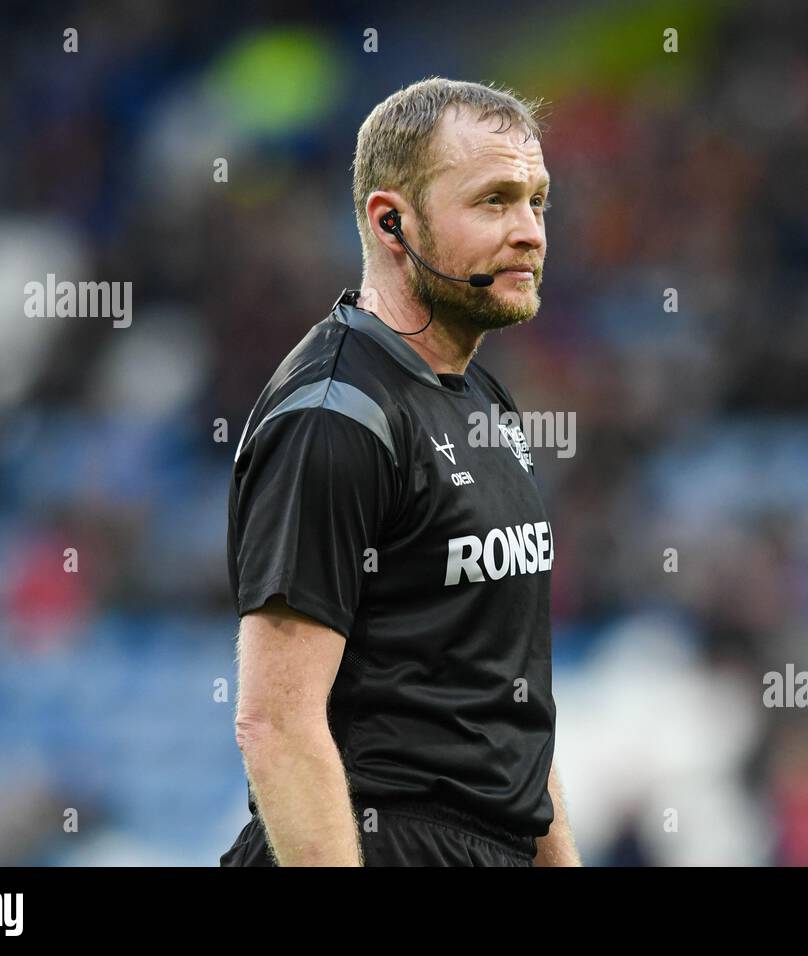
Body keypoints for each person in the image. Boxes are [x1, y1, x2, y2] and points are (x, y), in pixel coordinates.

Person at [219, 77, 580, 866]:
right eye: (494, 201)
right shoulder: (333, 415)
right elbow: (275, 724)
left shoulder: (482, 398)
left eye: (537, 202)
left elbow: (505, 703)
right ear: (393, 222)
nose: (530, 233)